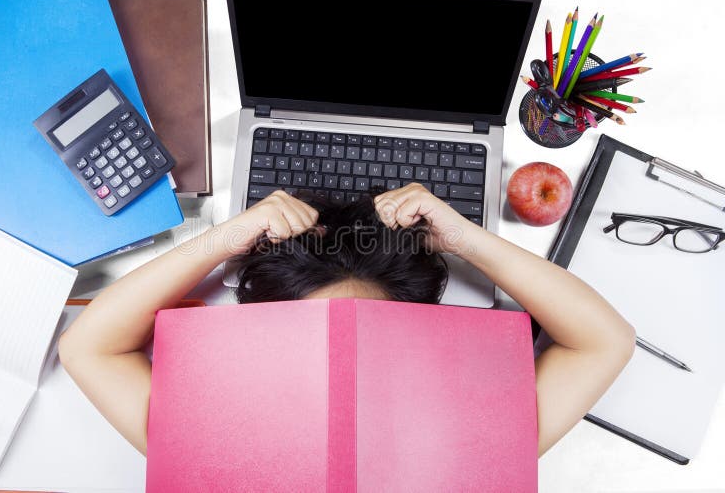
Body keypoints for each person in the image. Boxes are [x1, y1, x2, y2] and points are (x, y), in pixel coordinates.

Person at [58, 183, 635, 458]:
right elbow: (599, 342)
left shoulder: (465, 444)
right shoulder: (214, 440)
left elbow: (92, 348)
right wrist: (226, 236)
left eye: (369, 347)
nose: (340, 377)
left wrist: (465, 236)